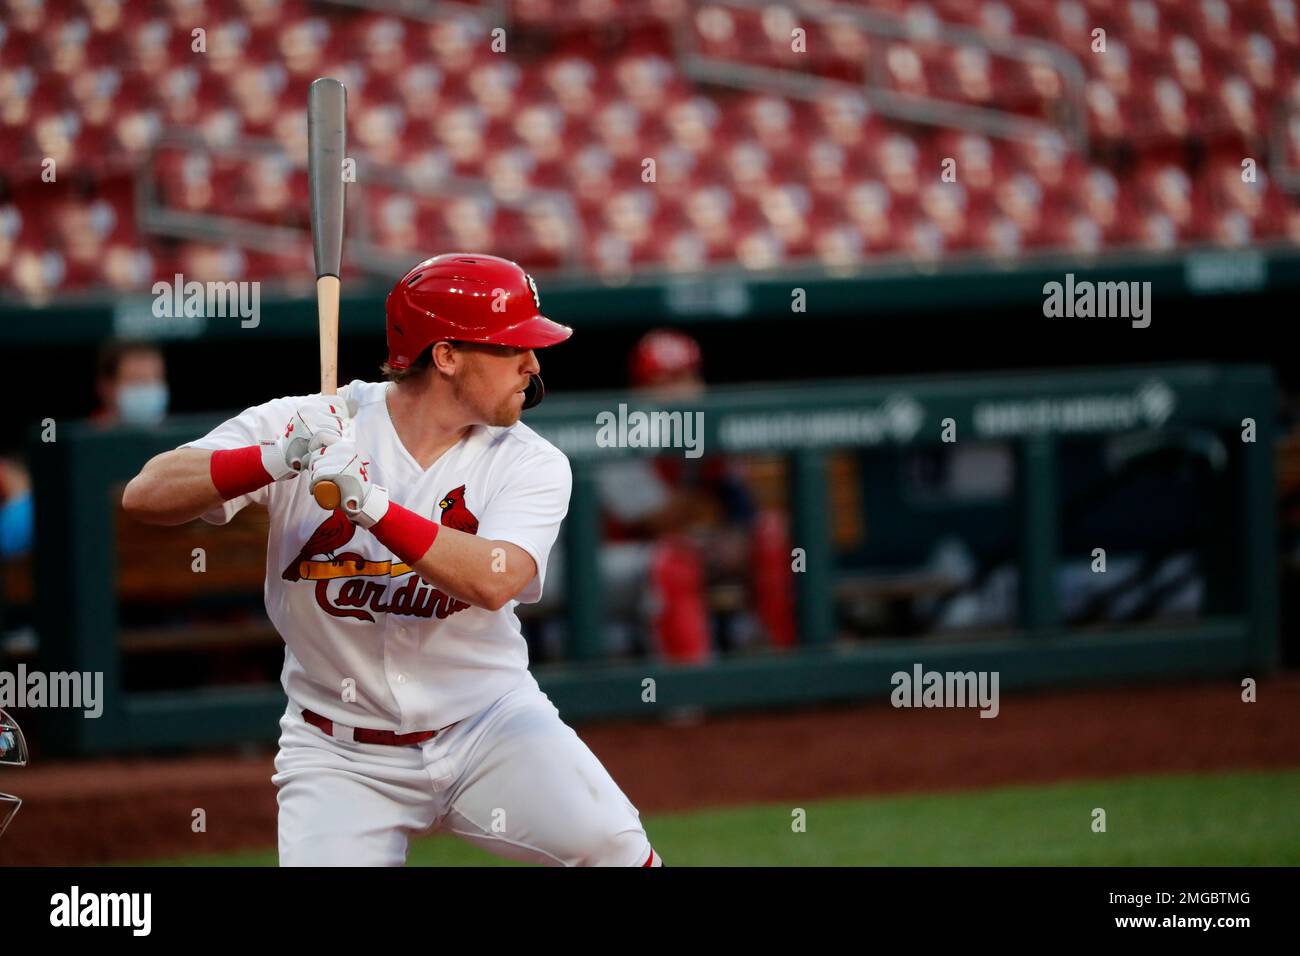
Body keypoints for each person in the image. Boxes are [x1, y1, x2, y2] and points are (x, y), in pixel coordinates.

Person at [122, 254, 662, 867]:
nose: (532, 364)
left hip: (487, 724)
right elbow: (147, 494)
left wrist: (371, 506)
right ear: (447, 355)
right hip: (340, 754)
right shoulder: (313, 423)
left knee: (615, 850)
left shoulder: (530, 461)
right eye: (512, 346)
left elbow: (496, 579)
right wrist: (277, 457)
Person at [91, 340, 170, 428]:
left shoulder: (176, 434)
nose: (147, 388)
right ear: (106, 386)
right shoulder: (85, 435)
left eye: (155, 378)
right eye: (136, 380)